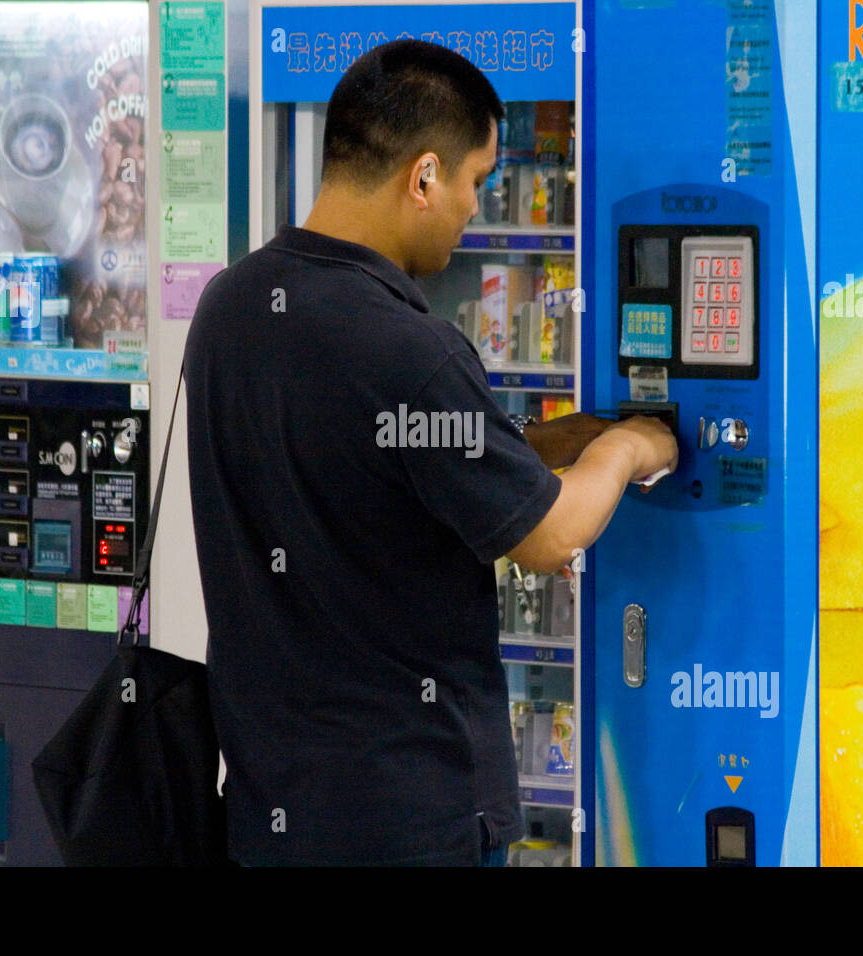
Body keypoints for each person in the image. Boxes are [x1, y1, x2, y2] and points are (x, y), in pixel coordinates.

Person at [183, 39, 677, 866]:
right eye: (477, 181)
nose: (475, 208)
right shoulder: (408, 349)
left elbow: (374, 459)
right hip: (409, 822)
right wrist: (630, 446)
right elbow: (553, 533)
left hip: (270, 813)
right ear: (422, 178)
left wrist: (549, 442)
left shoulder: (228, 307)